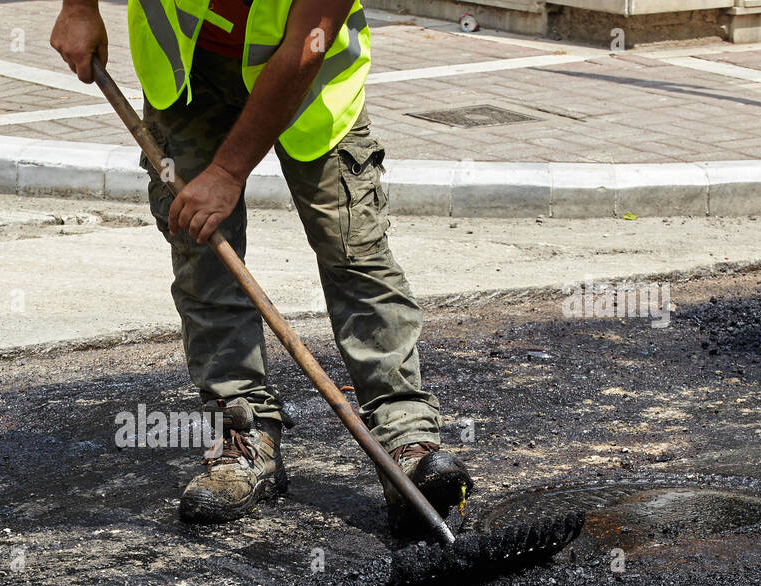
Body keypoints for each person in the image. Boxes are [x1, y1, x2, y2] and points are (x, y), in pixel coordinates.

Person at [51, 0, 474, 526]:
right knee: (204, 250)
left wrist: (227, 172)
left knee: (354, 252)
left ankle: (406, 442)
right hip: (187, 72)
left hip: (309, 75)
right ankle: (242, 431)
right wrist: (79, 7)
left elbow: (303, 46)